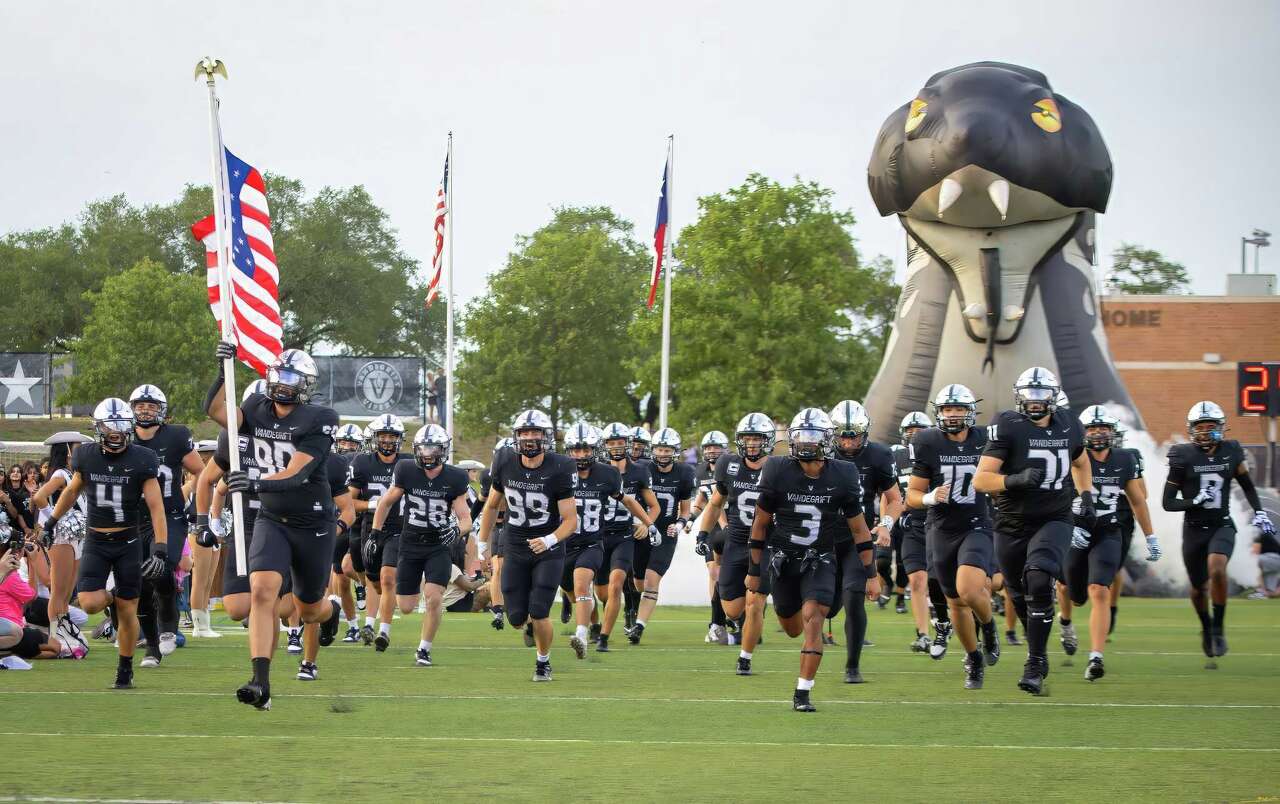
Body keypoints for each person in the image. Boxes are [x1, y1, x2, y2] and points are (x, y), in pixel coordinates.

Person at [205, 342, 343, 710]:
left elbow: (296, 473)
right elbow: (217, 410)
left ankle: (332, 613)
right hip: (272, 519)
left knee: (309, 608)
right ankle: (260, 681)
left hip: (312, 522)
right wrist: (224, 371)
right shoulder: (255, 407)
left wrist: (254, 484)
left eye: (291, 378)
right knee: (262, 591)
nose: (282, 384)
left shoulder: (321, 418)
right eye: (279, 375)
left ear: (306, 385)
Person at [974, 366, 1093, 695]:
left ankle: (1035, 663)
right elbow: (981, 479)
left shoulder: (1069, 424)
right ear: (1019, 396)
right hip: (1011, 522)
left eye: (1042, 394)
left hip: (1054, 517)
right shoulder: (1008, 426)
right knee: (1017, 592)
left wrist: (1086, 495)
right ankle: (1036, 649)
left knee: (1039, 578)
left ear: (1054, 397)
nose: (1035, 401)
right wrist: (1013, 480)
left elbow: (1081, 462)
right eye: (1030, 394)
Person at [750, 408, 877, 711]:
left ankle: (802, 693)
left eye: (813, 436)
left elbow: (859, 529)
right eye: (801, 436)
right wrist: (755, 571)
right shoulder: (778, 469)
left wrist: (871, 574)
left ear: (827, 440)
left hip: (819, 558)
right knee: (792, 626)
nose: (806, 443)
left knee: (814, 619)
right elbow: (760, 524)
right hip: (783, 559)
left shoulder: (843, 473)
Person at [45, 398, 168, 689]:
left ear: (129, 429)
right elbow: (72, 490)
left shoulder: (142, 458)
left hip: (129, 540)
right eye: (109, 429)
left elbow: (156, 506)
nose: (115, 434)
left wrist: (160, 546)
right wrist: (51, 521)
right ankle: (113, 596)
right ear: (98, 429)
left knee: (128, 612)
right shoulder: (86, 455)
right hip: (97, 540)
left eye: (120, 429)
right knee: (88, 602)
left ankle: (125, 669)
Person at [1163, 401, 1275, 662]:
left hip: (1222, 524)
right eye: (1200, 427)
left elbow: (1247, 485)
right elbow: (1167, 502)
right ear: (1192, 430)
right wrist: (1194, 501)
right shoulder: (1182, 456)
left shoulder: (1232, 451)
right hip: (1193, 529)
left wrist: (1259, 511)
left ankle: (1219, 627)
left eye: (1210, 427)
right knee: (1197, 589)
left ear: (1221, 428)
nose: (1205, 432)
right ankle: (1206, 626)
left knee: (1217, 568)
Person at [908, 384, 1002, 689]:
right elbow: (911, 495)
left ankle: (988, 627)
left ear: (970, 411)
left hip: (975, 523)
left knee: (970, 589)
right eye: (947, 409)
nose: (952, 415)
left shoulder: (986, 439)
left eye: (958, 409)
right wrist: (929, 497)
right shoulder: (927, 442)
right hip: (941, 527)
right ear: (939, 413)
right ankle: (973, 659)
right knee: (956, 603)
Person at [476, 409, 577, 681]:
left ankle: (543, 662)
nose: (530, 438)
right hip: (516, 545)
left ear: (546, 437)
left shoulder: (561, 466)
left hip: (549, 548)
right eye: (524, 433)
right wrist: (481, 542)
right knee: (516, 617)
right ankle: (529, 626)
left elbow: (570, 521)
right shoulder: (505, 460)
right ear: (516, 437)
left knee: (540, 609)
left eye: (535, 433)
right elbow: (492, 505)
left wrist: (549, 539)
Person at [1064, 405, 1160, 681]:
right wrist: (1068, 527)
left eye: (1102, 428)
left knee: (1100, 589)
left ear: (1113, 431)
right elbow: (1054, 498)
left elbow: (1138, 500)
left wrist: (1151, 536)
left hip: (1108, 531)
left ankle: (1096, 656)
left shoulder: (1124, 458)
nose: (1097, 433)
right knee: (1075, 595)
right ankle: (1066, 620)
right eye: (1092, 428)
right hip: (1077, 530)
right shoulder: (1070, 458)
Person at [369, 424, 471, 667]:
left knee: (434, 597)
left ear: (443, 450)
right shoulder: (405, 469)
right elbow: (385, 503)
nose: (427, 453)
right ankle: (391, 628)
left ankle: (424, 649)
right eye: (423, 447)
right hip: (410, 542)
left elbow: (466, 518)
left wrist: (456, 529)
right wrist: (374, 532)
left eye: (433, 447)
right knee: (405, 606)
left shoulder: (455, 477)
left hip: (438, 545)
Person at [128, 384, 205, 665]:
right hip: (136, 519)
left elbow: (201, 471)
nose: (145, 410)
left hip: (170, 515)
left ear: (161, 411)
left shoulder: (175, 437)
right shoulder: (122, 437)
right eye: (140, 405)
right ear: (132, 409)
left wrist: (185, 493)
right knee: (139, 583)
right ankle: (151, 645)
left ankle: (169, 620)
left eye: (151, 405)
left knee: (161, 565)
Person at [828, 400, 901, 680]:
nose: (847, 443)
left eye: (853, 435)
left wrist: (885, 525)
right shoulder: (819, 453)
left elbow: (895, 499)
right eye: (842, 436)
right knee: (828, 605)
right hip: (823, 537)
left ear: (865, 432)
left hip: (857, 537)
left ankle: (852, 666)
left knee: (854, 599)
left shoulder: (879, 455)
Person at [697, 412, 774, 675]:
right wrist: (703, 533)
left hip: (765, 544)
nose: (752, 444)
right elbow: (715, 502)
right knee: (733, 608)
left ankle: (745, 657)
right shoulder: (728, 465)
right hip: (736, 541)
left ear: (768, 440)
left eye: (757, 438)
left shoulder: (778, 467)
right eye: (747, 438)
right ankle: (740, 625)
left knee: (755, 603)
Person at [594, 423, 659, 653]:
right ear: (604, 446)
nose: (616, 447)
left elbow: (654, 506)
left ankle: (604, 637)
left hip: (624, 535)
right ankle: (598, 621)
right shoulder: (597, 470)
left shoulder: (639, 470)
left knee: (615, 585)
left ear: (627, 443)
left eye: (620, 442)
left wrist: (644, 523)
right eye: (611, 443)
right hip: (599, 536)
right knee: (602, 593)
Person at [892, 410, 953, 656]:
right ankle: (923, 634)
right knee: (916, 580)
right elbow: (889, 492)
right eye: (911, 432)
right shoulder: (895, 457)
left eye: (920, 432)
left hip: (938, 524)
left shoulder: (940, 453)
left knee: (943, 582)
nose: (915, 436)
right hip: (911, 526)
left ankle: (945, 622)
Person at [628, 427, 694, 645]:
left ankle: (639, 627)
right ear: (652, 450)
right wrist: (638, 523)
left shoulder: (684, 473)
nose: (663, 454)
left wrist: (680, 523)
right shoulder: (642, 468)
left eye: (667, 450)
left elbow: (685, 509)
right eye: (659, 449)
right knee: (638, 582)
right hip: (643, 530)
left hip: (665, 532)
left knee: (651, 581)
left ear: (675, 451)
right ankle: (634, 609)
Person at [350, 414, 411, 652]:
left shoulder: (409, 463)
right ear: (375, 439)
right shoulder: (363, 462)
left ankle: (383, 631)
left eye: (392, 436)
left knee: (388, 578)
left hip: (400, 528)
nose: (387, 441)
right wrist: (373, 506)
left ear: (400, 439)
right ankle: (371, 618)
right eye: (383, 436)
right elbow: (348, 502)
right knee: (374, 581)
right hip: (371, 528)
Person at [29, 433, 92, 653]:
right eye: (77, 447)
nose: (81, 450)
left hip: (77, 536)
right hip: (63, 536)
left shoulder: (76, 474)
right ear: (66, 450)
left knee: (67, 592)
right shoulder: (60, 474)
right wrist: (56, 518)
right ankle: (56, 638)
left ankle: (65, 633)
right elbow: (39, 497)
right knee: (58, 590)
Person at [561, 423, 614, 658]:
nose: (581, 455)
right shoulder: (559, 472)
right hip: (563, 543)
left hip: (592, 543)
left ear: (596, 450)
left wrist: (647, 522)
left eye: (586, 450)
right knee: (575, 594)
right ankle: (591, 622)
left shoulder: (607, 474)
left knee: (582, 586)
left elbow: (628, 500)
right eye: (576, 450)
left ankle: (581, 636)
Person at [690, 430, 730, 643]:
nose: (712, 451)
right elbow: (705, 498)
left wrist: (726, 526)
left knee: (732, 574)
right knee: (714, 572)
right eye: (708, 447)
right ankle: (717, 621)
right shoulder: (701, 471)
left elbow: (722, 501)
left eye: (716, 447)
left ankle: (735, 616)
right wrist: (689, 519)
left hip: (735, 523)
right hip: (714, 527)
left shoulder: (732, 467)